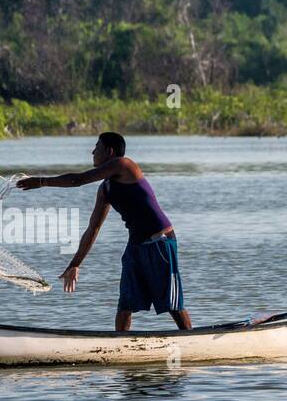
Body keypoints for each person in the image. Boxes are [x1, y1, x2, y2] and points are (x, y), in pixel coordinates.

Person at [16, 132, 192, 331]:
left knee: (171, 303)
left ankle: (189, 339)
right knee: (125, 304)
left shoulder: (124, 165)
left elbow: (78, 180)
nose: (92, 152)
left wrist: (41, 181)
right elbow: (93, 228)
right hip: (135, 246)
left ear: (110, 152)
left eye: (97, 148)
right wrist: (75, 264)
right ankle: (121, 346)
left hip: (159, 242)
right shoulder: (105, 189)